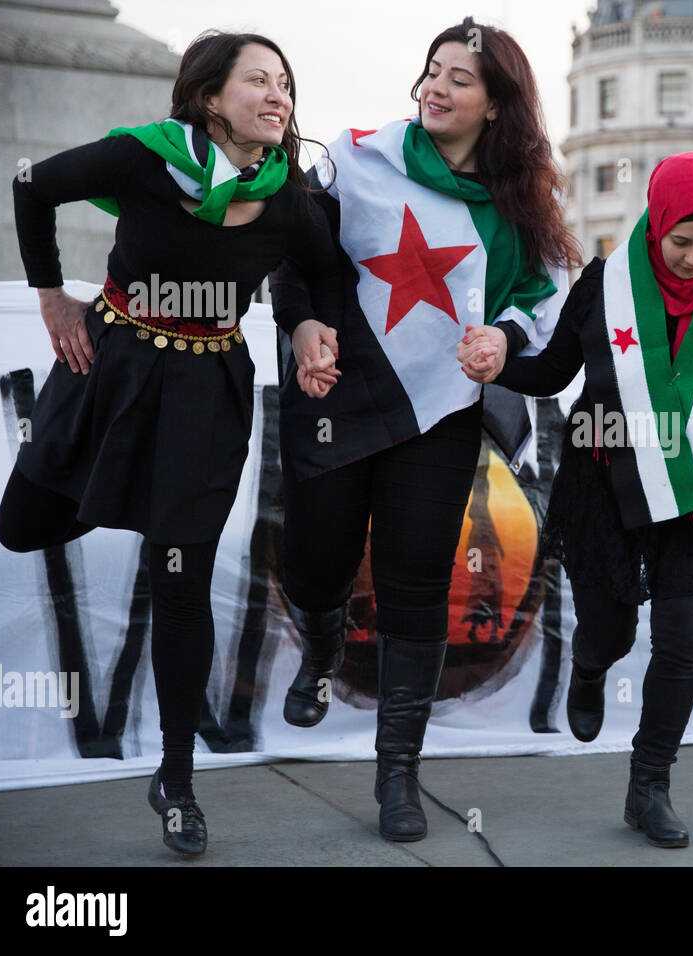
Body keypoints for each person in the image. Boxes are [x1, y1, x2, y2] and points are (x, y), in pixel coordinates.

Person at [0, 31, 341, 856]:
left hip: (205, 398)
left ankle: (177, 781)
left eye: (285, 84)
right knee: (21, 526)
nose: (278, 96)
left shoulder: (289, 197)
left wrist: (306, 327)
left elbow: (325, 271)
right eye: (258, 81)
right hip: (108, 370)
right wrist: (51, 296)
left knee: (180, 582)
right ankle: (123, 495)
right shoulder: (142, 158)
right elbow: (30, 185)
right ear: (210, 97)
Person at [268, 18, 577, 843]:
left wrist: (502, 337)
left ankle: (397, 772)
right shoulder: (357, 158)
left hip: (439, 411)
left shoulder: (520, 198)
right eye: (432, 70)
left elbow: (541, 294)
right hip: (336, 392)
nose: (436, 87)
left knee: (415, 582)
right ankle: (320, 643)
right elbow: (294, 259)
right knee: (316, 560)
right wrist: (302, 326)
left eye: (459, 78)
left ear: (497, 104)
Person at [459, 152, 693, 848]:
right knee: (611, 631)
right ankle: (590, 669)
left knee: (682, 645)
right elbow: (553, 371)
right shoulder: (604, 285)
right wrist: (498, 366)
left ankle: (650, 786)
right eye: (682, 242)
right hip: (607, 485)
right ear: (656, 223)